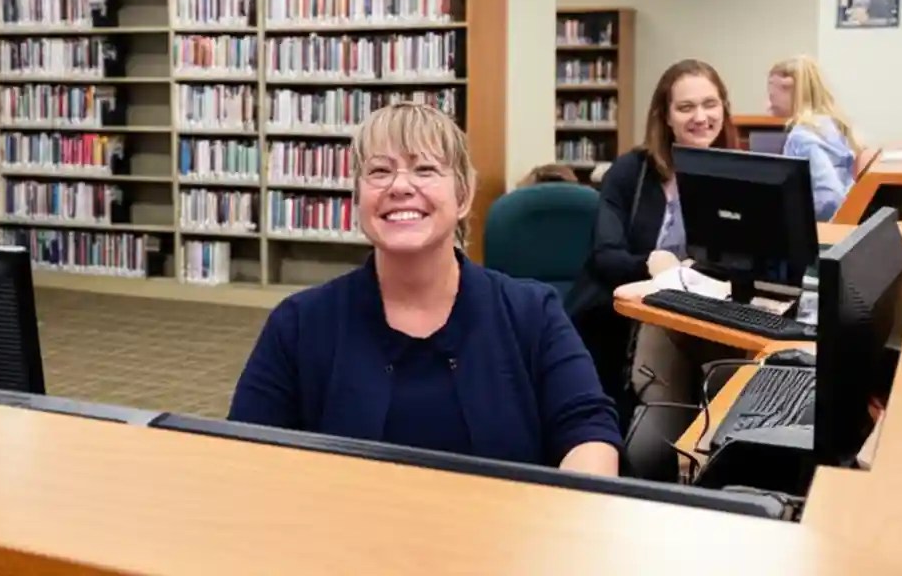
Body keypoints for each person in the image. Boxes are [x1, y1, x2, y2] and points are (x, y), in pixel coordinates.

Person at [228, 103, 622, 475]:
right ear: (357, 198)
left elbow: (589, 432)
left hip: (502, 539)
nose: (400, 186)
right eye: (379, 172)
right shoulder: (299, 324)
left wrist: (570, 513)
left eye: (425, 169)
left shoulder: (532, 312)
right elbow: (245, 454)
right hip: (342, 538)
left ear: (463, 195)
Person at [565, 59, 741, 421]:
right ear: (665, 115)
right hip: (623, 317)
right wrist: (650, 263)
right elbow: (605, 256)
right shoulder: (631, 171)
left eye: (710, 104)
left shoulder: (738, 173)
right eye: (686, 107)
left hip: (700, 314)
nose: (701, 117)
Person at [767, 56, 860, 221]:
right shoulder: (830, 123)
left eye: (772, 94)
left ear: (792, 91)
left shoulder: (801, 137)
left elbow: (830, 198)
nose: (769, 102)